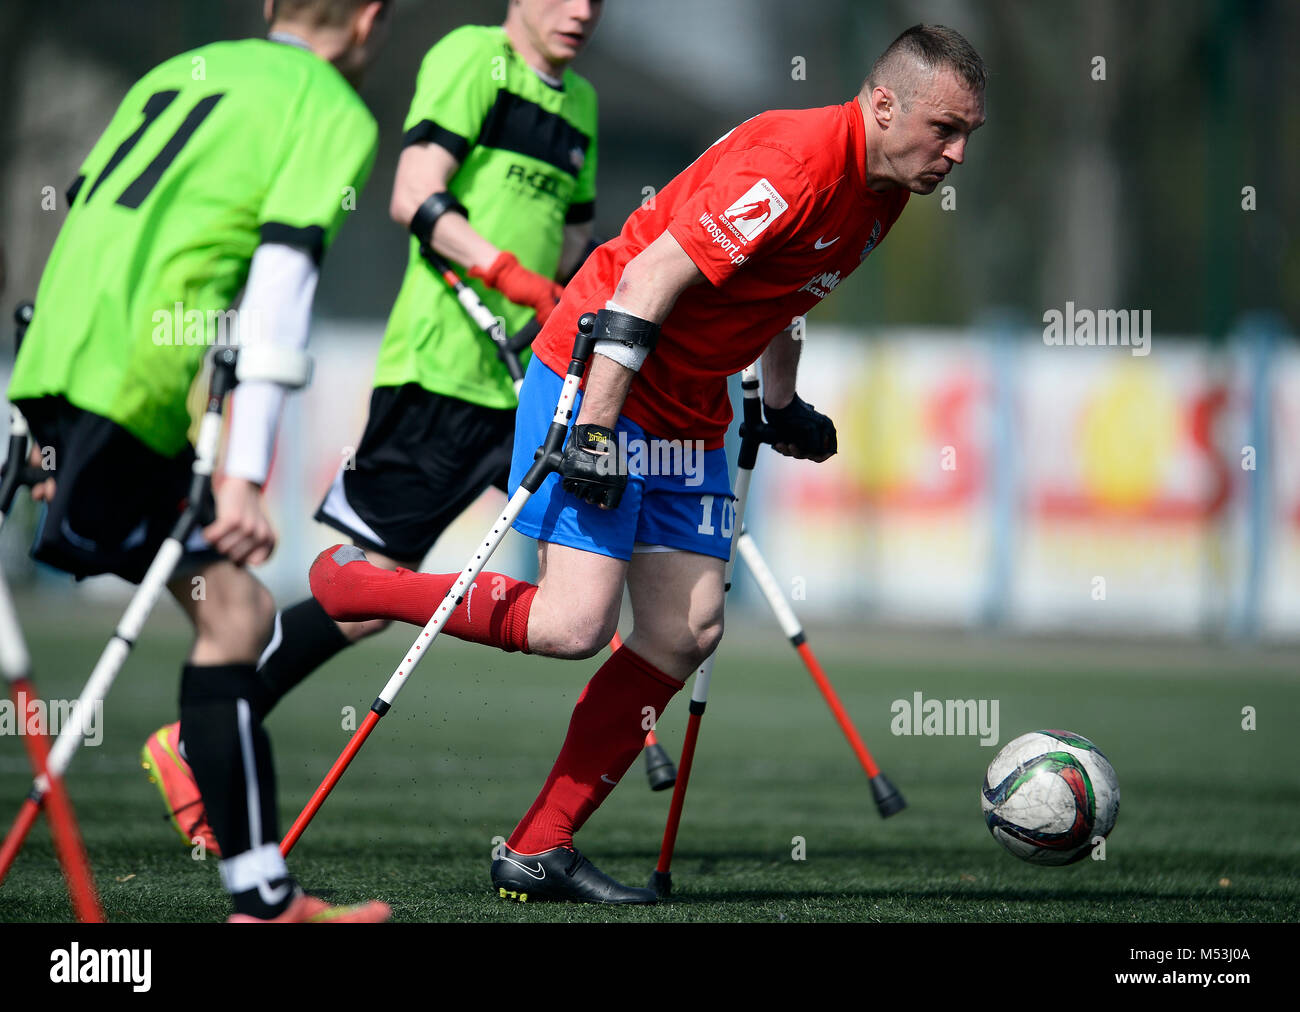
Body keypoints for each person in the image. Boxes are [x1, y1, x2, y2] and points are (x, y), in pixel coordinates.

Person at [314, 23, 988, 904]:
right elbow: (647, 283)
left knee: (685, 629)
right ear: (885, 103)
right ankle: (360, 585)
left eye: (968, 133)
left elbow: (787, 293)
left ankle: (536, 847)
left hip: (693, 407)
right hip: (603, 374)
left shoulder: (883, 190)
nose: (958, 152)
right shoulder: (794, 164)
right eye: (945, 128)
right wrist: (593, 427)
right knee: (570, 627)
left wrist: (777, 406)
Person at [142, 0, 608, 852]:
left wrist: (578, 299)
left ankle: (563, 816)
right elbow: (411, 193)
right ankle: (195, 732)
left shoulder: (581, 104)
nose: (581, 10)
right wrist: (507, 275)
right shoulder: (472, 59)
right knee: (366, 595)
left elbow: (574, 238)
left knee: (599, 569)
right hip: (437, 380)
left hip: (528, 387)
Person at [8, 0, 394, 922]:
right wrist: (243, 478)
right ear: (370, 19)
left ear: (269, 7)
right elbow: (278, 286)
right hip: (126, 389)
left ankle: (264, 896)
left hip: (58, 367)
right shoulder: (329, 109)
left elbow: (83, 231)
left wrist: (38, 415)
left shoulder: (180, 72)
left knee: (237, 608)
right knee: (236, 612)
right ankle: (263, 901)